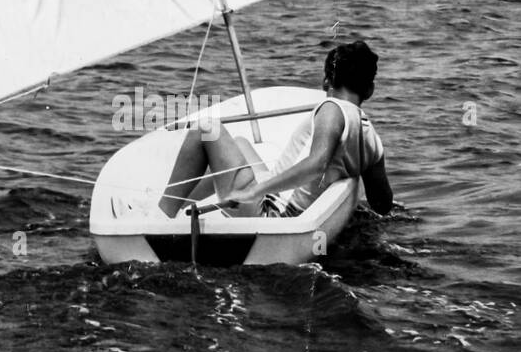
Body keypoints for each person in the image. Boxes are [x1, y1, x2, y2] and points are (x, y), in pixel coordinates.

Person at [158, 40, 393, 219]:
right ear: (370, 90)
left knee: (206, 129)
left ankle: (160, 214)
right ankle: (183, 206)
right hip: (286, 210)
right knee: (240, 143)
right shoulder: (371, 138)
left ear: (325, 82)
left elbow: (316, 165)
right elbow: (382, 203)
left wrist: (253, 192)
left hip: (271, 216)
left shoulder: (331, 108)